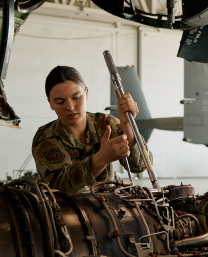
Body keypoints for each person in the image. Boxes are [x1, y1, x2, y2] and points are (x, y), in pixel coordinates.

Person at [32, 66, 152, 194]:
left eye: (76, 97)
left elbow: (141, 166)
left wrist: (127, 124)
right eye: (60, 102)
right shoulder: (46, 137)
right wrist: (101, 159)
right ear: (50, 103)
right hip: (67, 211)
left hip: (107, 208)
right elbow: (61, 186)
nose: (70, 107)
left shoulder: (105, 123)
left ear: (86, 93)